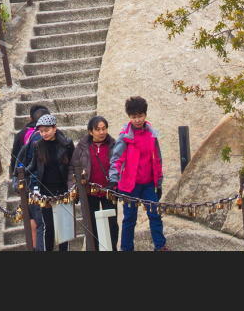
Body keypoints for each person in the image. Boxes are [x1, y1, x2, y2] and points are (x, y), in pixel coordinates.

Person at [109, 95, 167, 251]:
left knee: (155, 215)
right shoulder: (125, 136)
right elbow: (116, 159)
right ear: (129, 117)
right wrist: (114, 180)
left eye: (140, 116)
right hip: (130, 185)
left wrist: (159, 182)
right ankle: (127, 248)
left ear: (145, 115)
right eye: (134, 117)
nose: (137, 120)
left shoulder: (152, 134)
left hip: (148, 183)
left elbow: (157, 159)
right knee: (129, 218)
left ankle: (160, 246)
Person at [23, 113, 76, 251]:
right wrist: (21, 173)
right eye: (41, 131)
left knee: (64, 228)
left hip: (63, 190)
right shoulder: (37, 145)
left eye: (47, 130)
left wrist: (73, 186)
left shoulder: (67, 144)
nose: (44, 134)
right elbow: (33, 166)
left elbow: (74, 165)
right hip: (45, 192)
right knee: (48, 228)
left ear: (54, 128)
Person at [72, 114, 119, 250]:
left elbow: (120, 165)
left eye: (104, 128)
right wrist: (75, 185)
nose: (102, 132)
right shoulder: (82, 146)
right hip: (89, 191)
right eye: (98, 129)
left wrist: (116, 184)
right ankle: (94, 248)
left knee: (111, 224)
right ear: (90, 131)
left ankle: (112, 248)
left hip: (109, 191)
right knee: (91, 223)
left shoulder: (114, 145)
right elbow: (73, 166)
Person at [9, 104, 50, 249]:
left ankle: (33, 247)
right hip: (40, 183)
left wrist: (15, 178)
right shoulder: (45, 136)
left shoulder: (22, 134)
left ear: (30, 118)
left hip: (25, 182)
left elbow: (14, 159)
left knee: (33, 219)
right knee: (42, 222)